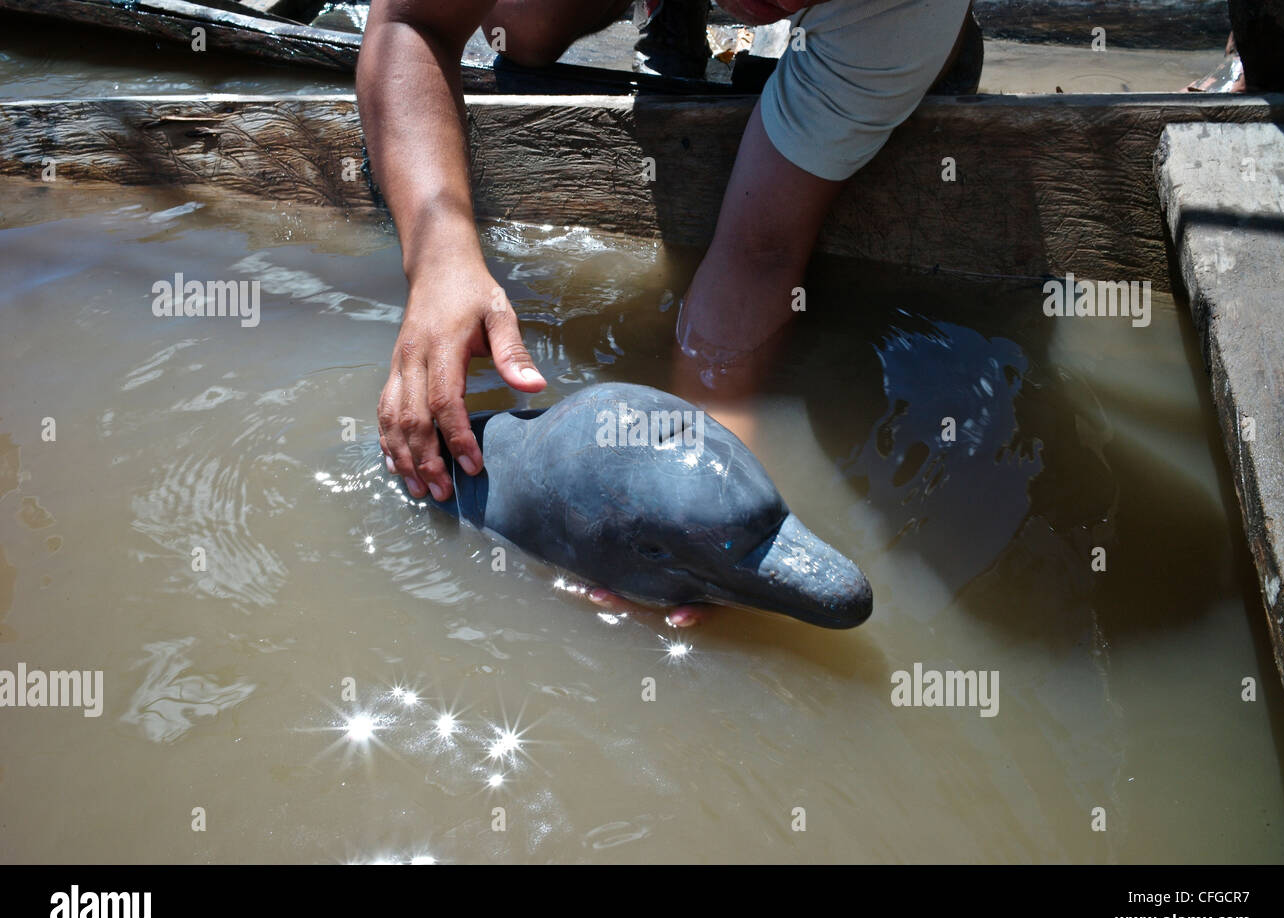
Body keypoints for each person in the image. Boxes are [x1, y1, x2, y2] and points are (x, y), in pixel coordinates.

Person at [358, 0, 974, 624]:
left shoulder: (903, 12)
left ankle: (877, 58)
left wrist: (707, 487)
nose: (776, 4)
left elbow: (760, 251)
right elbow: (410, 22)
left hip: (879, 30)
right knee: (524, 35)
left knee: (903, 78)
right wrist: (440, 264)